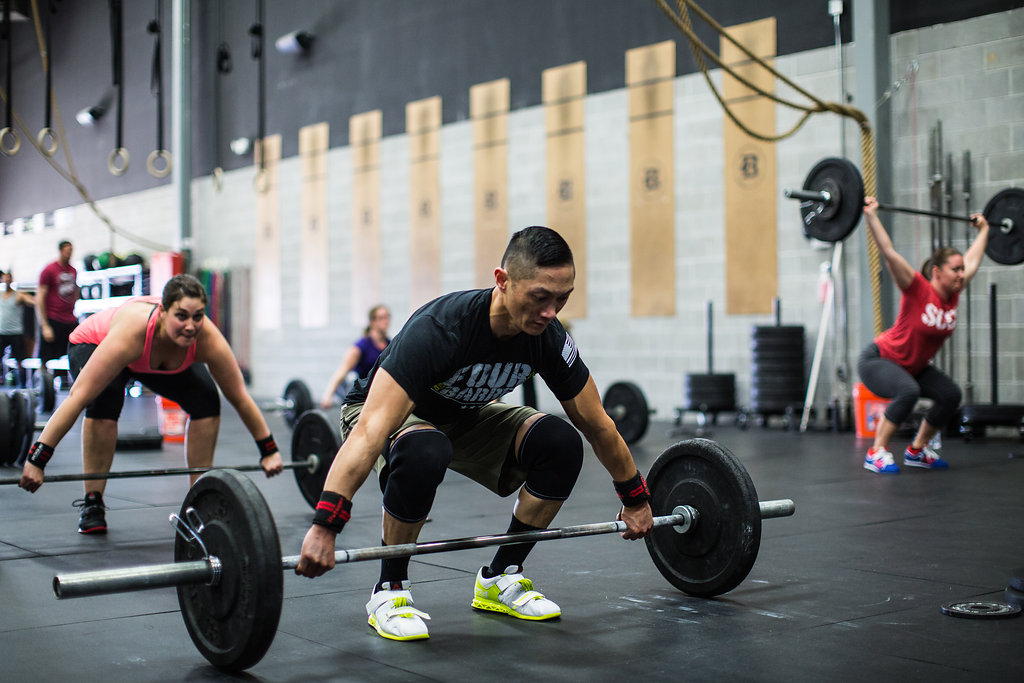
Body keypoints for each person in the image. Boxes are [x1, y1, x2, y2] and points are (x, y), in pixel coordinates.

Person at [294, 226, 654, 642]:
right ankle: (389, 589)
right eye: (540, 297)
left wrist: (636, 498)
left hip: (465, 413)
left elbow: (597, 422)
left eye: (562, 299)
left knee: (561, 443)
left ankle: (500, 578)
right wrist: (326, 524)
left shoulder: (549, 338)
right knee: (424, 447)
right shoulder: (441, 329)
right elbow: (372, 429)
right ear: (502, 281)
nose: (551, 312)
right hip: (381, 412)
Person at [19, 274, 285, 533]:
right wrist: (38, 458)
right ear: (163, 312)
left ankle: (198, 502)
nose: (191, 325)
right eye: (181, 316)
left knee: (206, 400)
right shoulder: (132, 332)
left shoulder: (207, 339)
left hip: (153, 358)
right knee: (104, 401)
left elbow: (238, 396)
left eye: (198, 316)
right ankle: (92, 503)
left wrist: (269, 450)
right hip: (93, 343)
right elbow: (77, 397)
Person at [857, 196, 989, 474]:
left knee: (950, 395)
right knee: (908, 391)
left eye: (962, 269)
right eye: (956, 269)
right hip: (879, 360)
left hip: (912, 366)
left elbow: (974, 259)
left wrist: (985, 230)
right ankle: (876, 451)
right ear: (936, 272)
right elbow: (889, 253)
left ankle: (917, 450)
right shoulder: (917, 288)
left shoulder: (952, 294)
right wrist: (871, 216)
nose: (962, 274)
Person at [319, 305, 391, 408]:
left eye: (387, 317)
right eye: (381, 318)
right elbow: (342, 371)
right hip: (360, 391)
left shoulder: (390, 344)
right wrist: (327, 395)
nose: (386, 321)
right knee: (351, 378)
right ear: (372, 322)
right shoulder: (361, 346)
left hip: (378, 390)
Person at [36, 240, 80, 366]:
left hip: (69, 320)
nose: (69, 254)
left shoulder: (73, 270)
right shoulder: (49, 270)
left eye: (71, 251)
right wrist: (45, 325)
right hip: (53, 319)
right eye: (67, 251)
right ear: (60, 251)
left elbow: (75, 292)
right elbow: (40, 297)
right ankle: (45, 383)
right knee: (47, 358)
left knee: (71, 354)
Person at [1, 270, 36, 388]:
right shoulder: (0, 295)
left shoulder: (19, 295)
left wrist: (38, 299)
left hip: (16, 332)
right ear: (2, 280)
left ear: (11, 280)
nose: (6, 281)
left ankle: (23, 387)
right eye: (4, 279)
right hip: (2, 331)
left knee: (20, 361)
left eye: (8, 279)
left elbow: (32, 301)